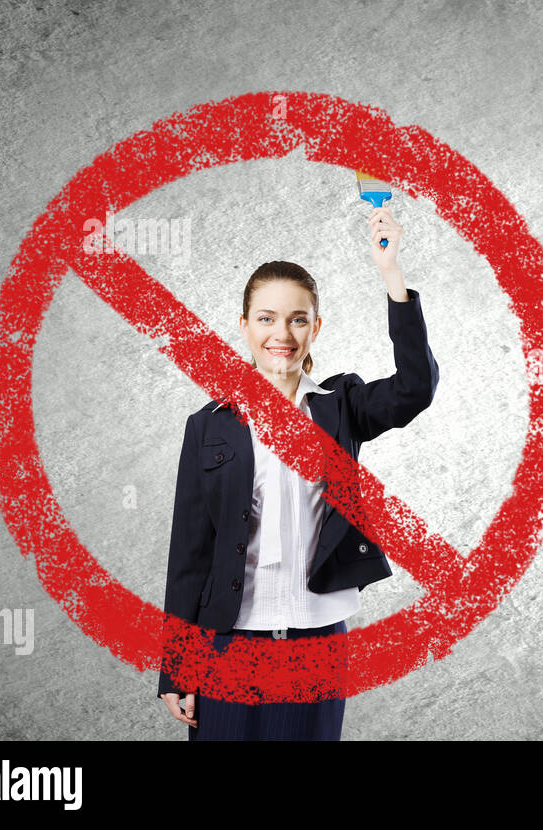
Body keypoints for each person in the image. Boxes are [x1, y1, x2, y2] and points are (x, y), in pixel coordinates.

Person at [156, 205, 438, 739]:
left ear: (315, 327)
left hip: (316, 645)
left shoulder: (341, 407)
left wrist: (392, 276)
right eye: (266, 318)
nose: (280, 333)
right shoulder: (207, 426)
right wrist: (178, 666)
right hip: (228, 646)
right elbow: (189, 553)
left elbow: (415, 388)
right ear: (244, 326)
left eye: (297, 318)